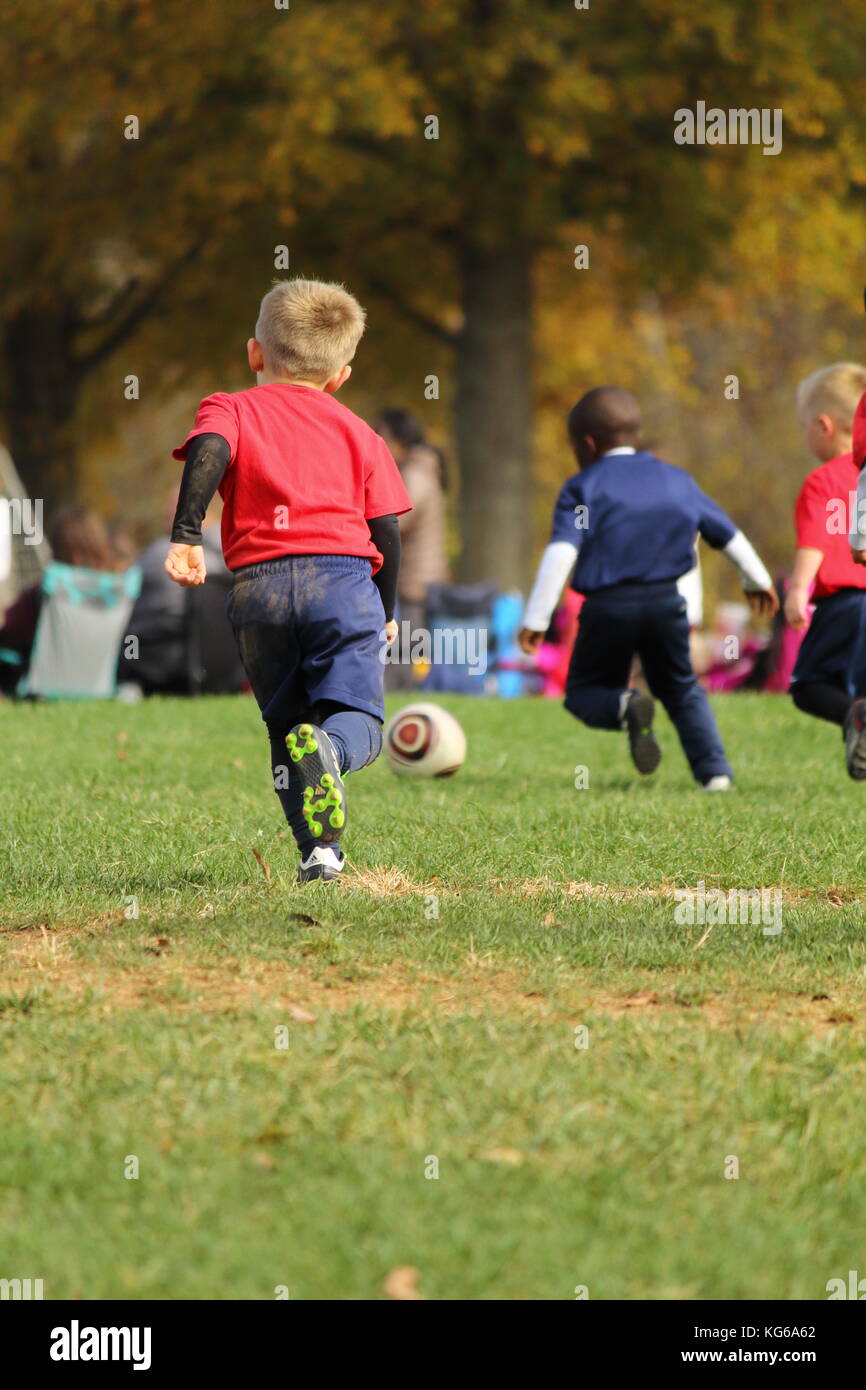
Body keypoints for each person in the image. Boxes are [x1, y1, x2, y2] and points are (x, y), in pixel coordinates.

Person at [164, 278, 412, 882]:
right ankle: (336, 753)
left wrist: (187, 533)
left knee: (287, 726)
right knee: (361, 723)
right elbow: (386, 530)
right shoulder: (362, 434)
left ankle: (319, 853)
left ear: (256, 354)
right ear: (340, 376)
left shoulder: (230, 407)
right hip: (344, 582)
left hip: (259, 591)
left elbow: (210, 452)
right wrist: (385, 609)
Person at [518, 386, 778, 789]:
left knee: (584, 692)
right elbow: (725, 533)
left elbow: (561, 553)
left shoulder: (581, 487)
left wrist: (536, 617)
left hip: (607, 608)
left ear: (587, 444)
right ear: (635, 436)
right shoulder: (676, 480)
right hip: (665, 603)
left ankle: (624, 705)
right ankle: (716, 776)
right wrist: (756, 579)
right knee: (681, 689)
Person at [783, 364, 866, 777]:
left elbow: (814, 538)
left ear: (825, 426)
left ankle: (855, 716)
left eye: (805, 426)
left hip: (845, 603)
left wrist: (798, 589)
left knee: (808, 687)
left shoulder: (823, 481)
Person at [0, 506, 121, 693]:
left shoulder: (50, 585)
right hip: (102, 686)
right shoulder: (120, 589)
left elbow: (9, 629)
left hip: (42, 687)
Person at [374, 408, 447, 689]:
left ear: (397, 439)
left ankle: (398, 695)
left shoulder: (416, 473)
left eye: (382, 436)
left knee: (403, 648)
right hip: (416, 575)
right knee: (404, 646)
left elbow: (399, 518)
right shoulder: (421, 469)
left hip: (416, 578)